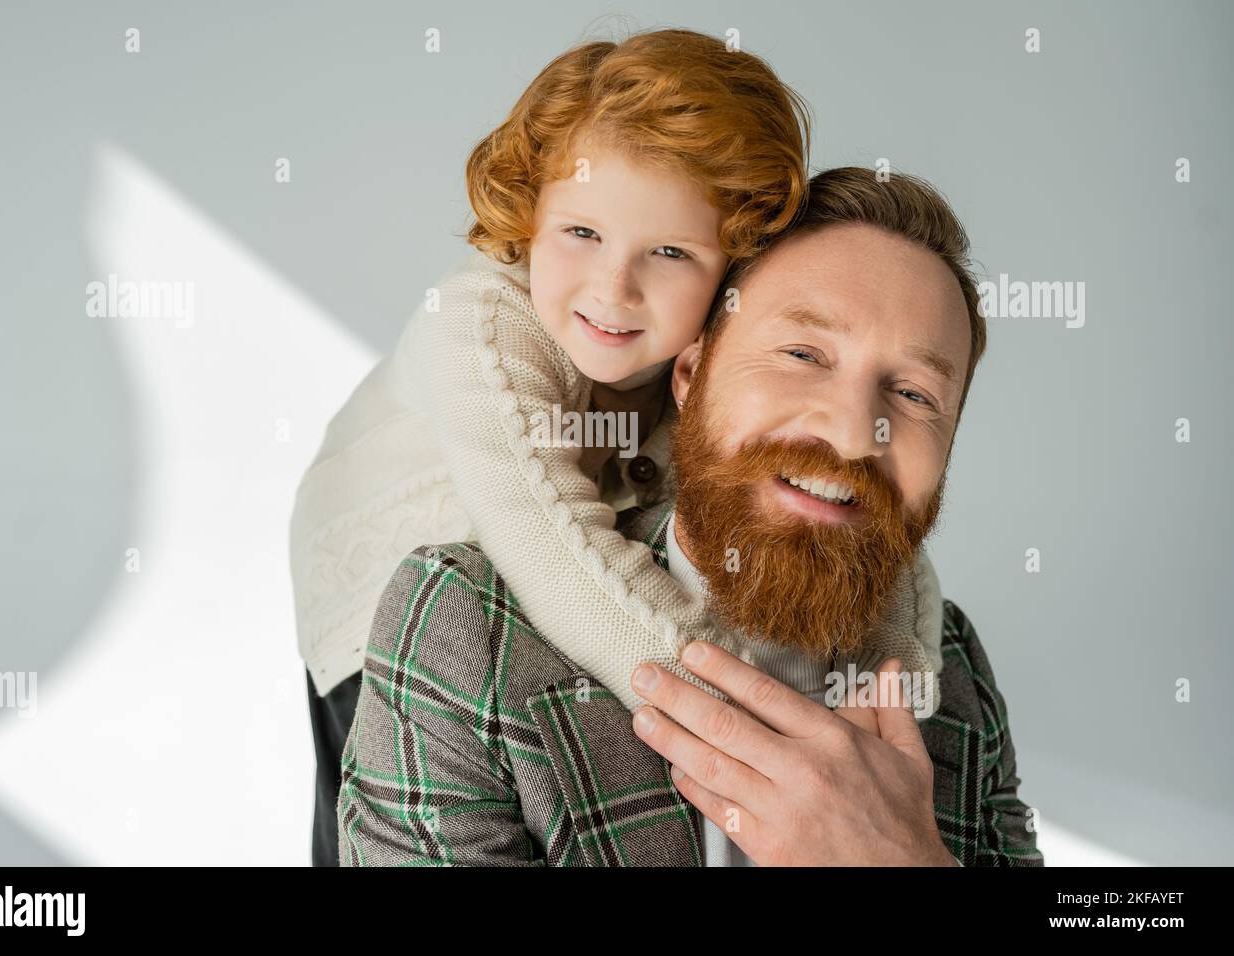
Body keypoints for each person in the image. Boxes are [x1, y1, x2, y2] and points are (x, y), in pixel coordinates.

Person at [291, 29, 941, 866]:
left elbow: (871, 521)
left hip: (566, 597)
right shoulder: (484, 326)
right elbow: (545, 542)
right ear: (529, 215)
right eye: (580, 232)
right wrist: (754, 714)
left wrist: (896, 683)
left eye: (670, 252)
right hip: (380, 603)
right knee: (374, 822)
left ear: (732, 266)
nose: (614, 287)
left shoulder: (707, 358)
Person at [337, 167, 1043, 867]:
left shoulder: (952, 660)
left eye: (915, 395)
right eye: (802, 354)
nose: (857, 433)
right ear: (691, 377)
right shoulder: (467, 629)